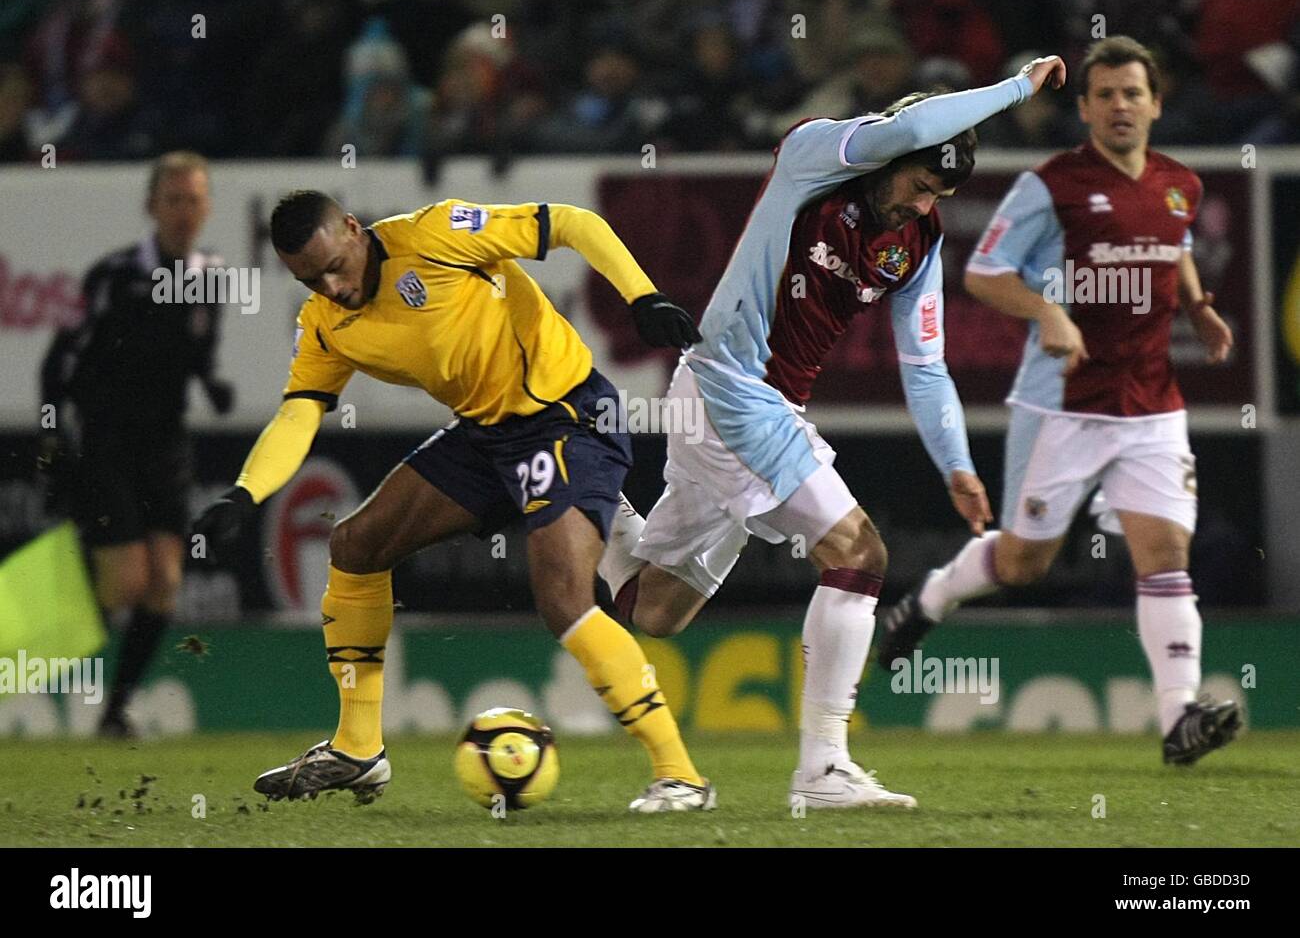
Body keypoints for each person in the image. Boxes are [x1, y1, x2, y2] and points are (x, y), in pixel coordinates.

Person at [596, 55, 1069, 809]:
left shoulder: (918, 243)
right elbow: (913, 125)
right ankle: (822, 770)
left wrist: (956, 464)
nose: (921, 205)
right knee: (858, 551)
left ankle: (595, 512)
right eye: (918, 185)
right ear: (889, 157)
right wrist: (1018, 88)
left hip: (744, 404)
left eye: (937, 195)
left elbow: (925, 363)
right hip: (730, 385)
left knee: (656, 613)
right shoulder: (815, 156)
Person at [193, 191, 715, 812]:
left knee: (564, 600)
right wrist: (247, 492)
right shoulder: (325, 324)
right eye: (310, 279)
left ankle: (679, 775)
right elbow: (298, 412)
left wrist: (641, 295)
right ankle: (359, 750)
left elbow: (572, 223)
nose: (331, 286)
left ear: (354, 230)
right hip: (487, 435)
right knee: (357, 546)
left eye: (335, 266)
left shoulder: (437, 235)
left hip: (565, 417)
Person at [876, 37, 1241, 766]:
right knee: (1022, 564)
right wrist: (1047, 312)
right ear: (1084, 108)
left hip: (1151, 404)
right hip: (1062, 406)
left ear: (1155, 104)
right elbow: (984, 272)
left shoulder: (1180, 185)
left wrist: (1198, 307)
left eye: (1132, 93)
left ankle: (1179, 723)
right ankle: (929, 601)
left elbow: (1174, 246)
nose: (1120, 107)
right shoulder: (1052, 185)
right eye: (1104, 95)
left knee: (1166, 553)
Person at [39, 150, 233, 737]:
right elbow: (61, 357)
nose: (183, 211)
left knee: (165, 584)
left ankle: (115, 711)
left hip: (166, 443)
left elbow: (196, 352)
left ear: (206, 208)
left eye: (193, 199)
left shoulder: (211, 276)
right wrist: (52, 428)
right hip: (106, 439)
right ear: (151, 207)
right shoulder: (115, 276)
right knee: (126, 582)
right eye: (172, 199)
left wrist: (210, 383)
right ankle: (53, 603)